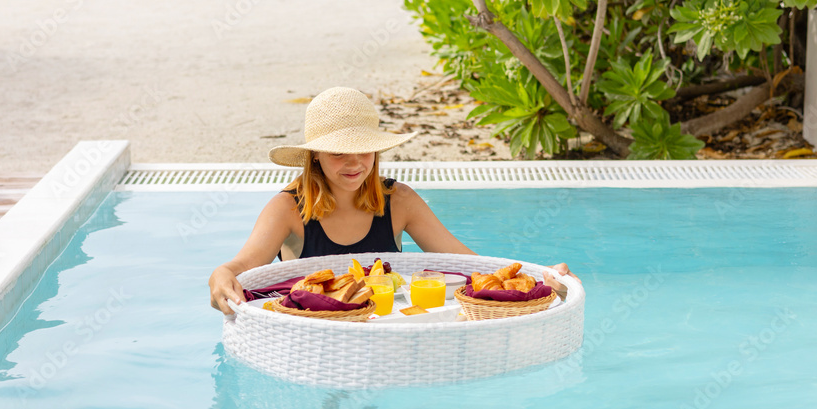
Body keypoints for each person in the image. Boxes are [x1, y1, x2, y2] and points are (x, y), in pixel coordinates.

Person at [209, 87, 574, 314]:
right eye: (339, 153)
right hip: (316, 332)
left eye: (364, 151)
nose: (355, 164)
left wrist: (541, 277)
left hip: (385, 325)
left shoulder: (399, 201)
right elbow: (239, 267)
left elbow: (470, 266)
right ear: (315, 155)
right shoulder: (288, 208)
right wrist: (221, 276)